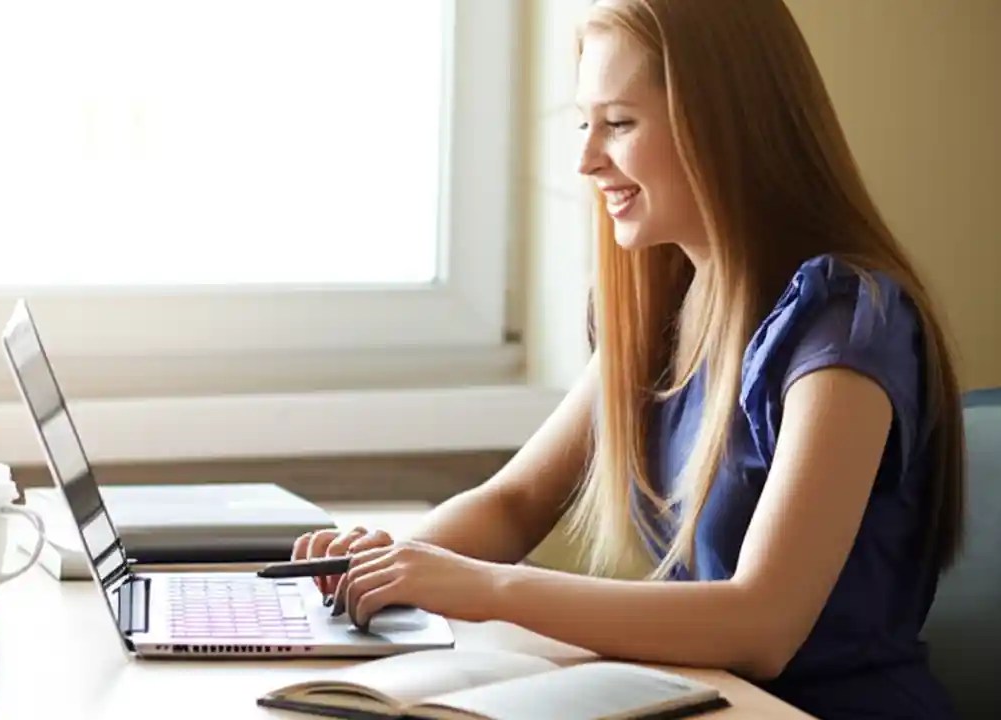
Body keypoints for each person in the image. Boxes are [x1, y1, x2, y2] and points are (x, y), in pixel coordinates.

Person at [291, 1, 964, 717]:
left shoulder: (847, 327)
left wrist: (481, 587)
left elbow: (761, 624)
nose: (586, 160)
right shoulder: (667, 305)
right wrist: (381, 568)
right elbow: (515, 504)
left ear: (725, 126)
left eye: (619, 123)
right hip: (700, 702)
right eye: (585, 123)